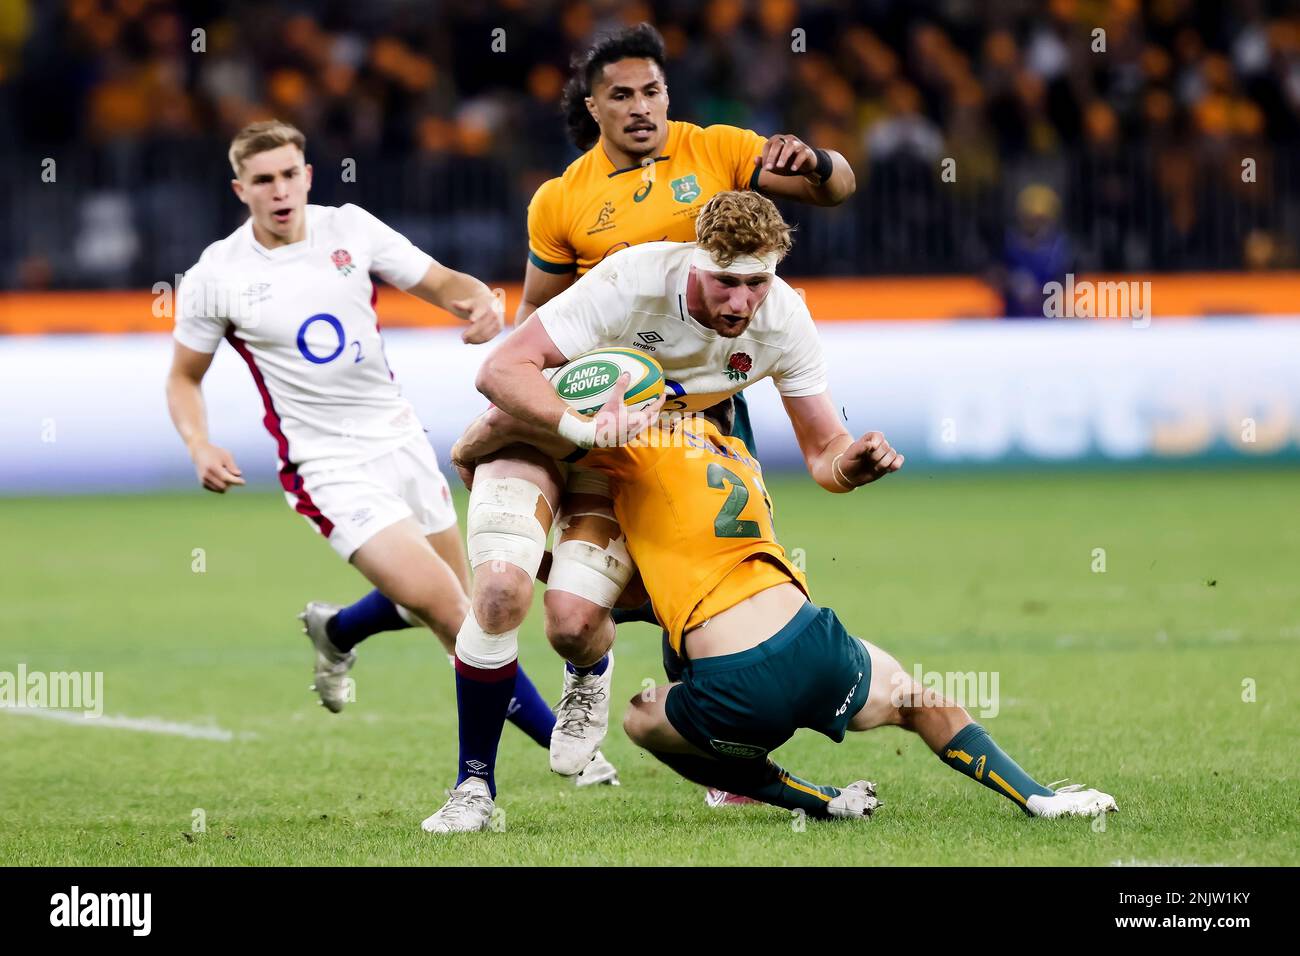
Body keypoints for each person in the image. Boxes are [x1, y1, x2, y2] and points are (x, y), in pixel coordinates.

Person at [164, 120, 617, 800]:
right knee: (453, 609)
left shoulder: (349, 228)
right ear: (241, 189)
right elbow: (183, 377)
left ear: (308, 176)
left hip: (400, 442)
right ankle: (569, 751)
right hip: (325, 468)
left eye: (290, 174)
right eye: (263, 180)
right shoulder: (216, 277)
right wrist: (199, 444)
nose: (280, 189)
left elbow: (443, 282)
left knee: (457, 604)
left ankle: (337, 627)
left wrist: (479, 305)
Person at [424, 190, 891, 831]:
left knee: (573, 622)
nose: (740, 302)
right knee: (501, 591)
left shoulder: (783, 318)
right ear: (696, 262)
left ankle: (589, 667)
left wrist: (849, 465)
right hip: (540, 431)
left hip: (629, 458)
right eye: (725, 281)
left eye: (756, 283)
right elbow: (500, 368)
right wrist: (581, 429)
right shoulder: (633, 279)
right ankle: (472, 789)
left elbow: (822, 453)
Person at [460, 396, 1119, 822]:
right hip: (817, 643)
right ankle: (1039, 797)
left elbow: (523, 424)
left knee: (640, 718)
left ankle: (812, 801)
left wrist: (481, 467)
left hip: (739, 686)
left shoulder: (639, 442)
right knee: (919, 700)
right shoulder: (741, 458)